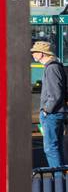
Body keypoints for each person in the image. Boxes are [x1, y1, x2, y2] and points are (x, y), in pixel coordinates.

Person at [35, 41, 67, 170]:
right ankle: (62, 181)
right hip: (56, 113)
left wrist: (46, 110)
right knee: (56, 146)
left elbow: (55, 94)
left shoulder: (52, 68)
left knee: (51, 148)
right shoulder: (54, 66)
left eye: (35, 52)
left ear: (42, 54)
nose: (32, 54)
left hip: (52, 114)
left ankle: (59, 181)